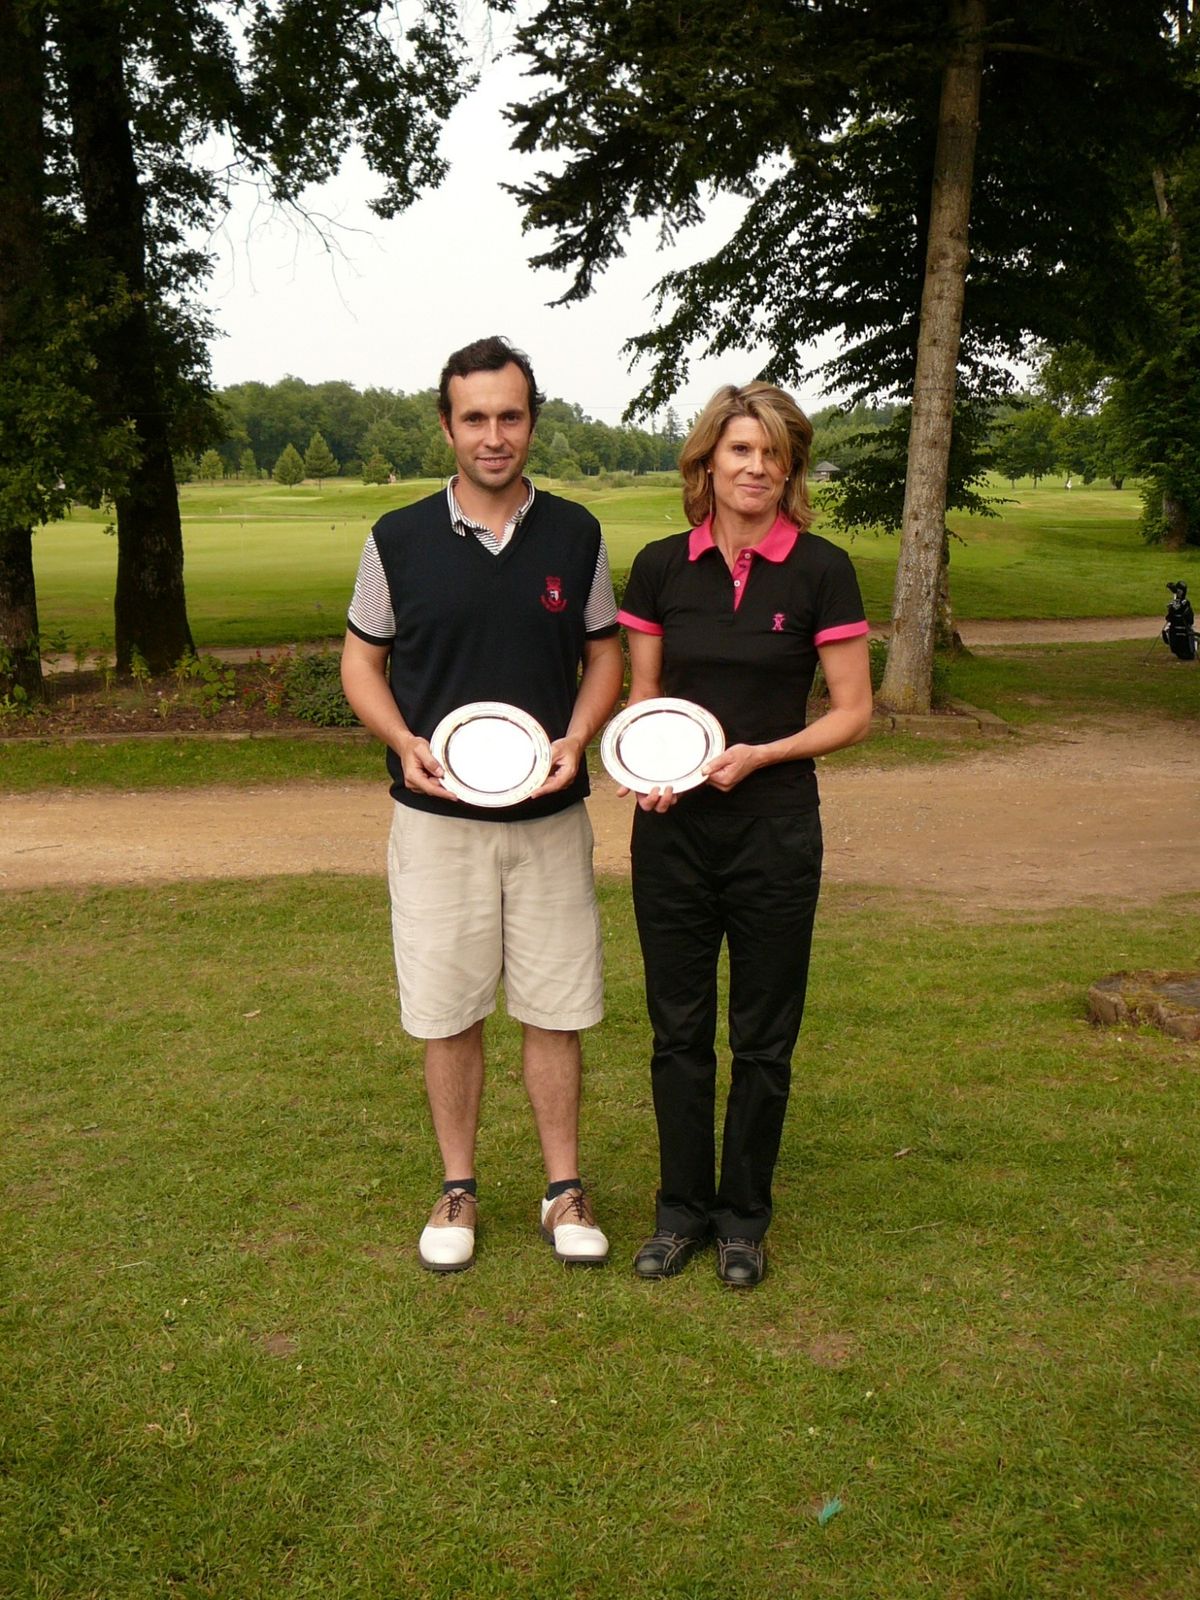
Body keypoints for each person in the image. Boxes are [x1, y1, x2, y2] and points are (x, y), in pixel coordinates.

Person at [340, 335, 623, 1273]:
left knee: (556, 1007)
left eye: (510, 416)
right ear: (447, 426)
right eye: (475, 418)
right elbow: (361, 662)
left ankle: (561, 1190)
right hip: (436, 824)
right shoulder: (395, 538)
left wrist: (579, 737)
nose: (493, 435)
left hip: (547, 817)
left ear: (532, 420)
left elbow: (605, 654)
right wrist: (402, 743)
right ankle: (457, 1190)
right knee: (446, 1010)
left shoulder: (578, 533)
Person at [616, 381, 873, 1288]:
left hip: (774, 832)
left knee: (763, 1035)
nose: (756, 467)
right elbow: (642, 699)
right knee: (676, 1031)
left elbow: (853, 712)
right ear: (707, 464)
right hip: (674, 834)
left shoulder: (821, 569)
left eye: (773, 453)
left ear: (790, 467)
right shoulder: (658, 567)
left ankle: (743, 1219)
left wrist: (763, 754)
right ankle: (680, 1211)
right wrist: (646, 774)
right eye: (739, 451)